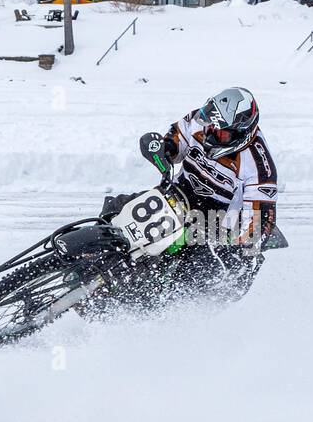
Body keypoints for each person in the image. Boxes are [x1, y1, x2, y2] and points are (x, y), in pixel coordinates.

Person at [111, 87, 280, 299]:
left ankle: (167, 313)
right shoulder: (200, 120)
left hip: (214, 226)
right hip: (174, 197)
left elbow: (259, 221)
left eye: (221, 132)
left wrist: (240, 249)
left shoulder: (258, 166)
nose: (211, 133)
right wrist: (163, 150)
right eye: (210, 126)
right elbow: (175, 141)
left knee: (193, 271)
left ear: (241, 133)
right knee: (117, 206)